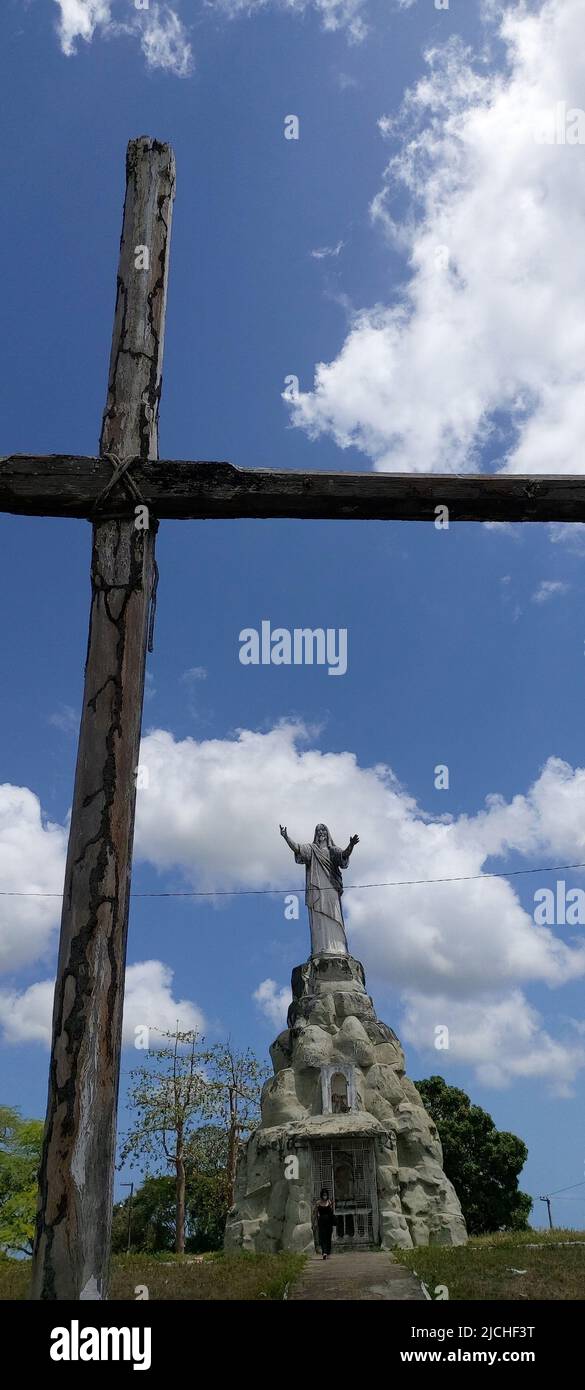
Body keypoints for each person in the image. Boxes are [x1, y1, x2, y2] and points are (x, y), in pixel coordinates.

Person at [279, 823, 359, 956]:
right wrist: (286, 837)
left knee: (335, 915)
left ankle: (338, 947)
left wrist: (351, 845)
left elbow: (344, 855)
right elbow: (298, 848)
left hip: (331, 888)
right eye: (318, 831)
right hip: (316, 889)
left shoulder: (333, 851)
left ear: (327, 834)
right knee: (319, 916)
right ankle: (320, 947)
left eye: (323, 830)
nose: (321, 832)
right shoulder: (311, 849)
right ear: (316, 834)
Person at [315, 1187, 335, 1259]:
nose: (324, 1196)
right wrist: (316, 1222)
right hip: (321, 1222)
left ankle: (328, 1252)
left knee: (328, 1237)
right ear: (321, 1195)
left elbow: (332, 1213)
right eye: (323, 1195)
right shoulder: (318, 1203)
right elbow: (316, 1214)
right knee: (323, 1237)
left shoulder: (329, 1202)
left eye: (326, 1195)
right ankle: (324, 1252)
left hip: (329, 1222)